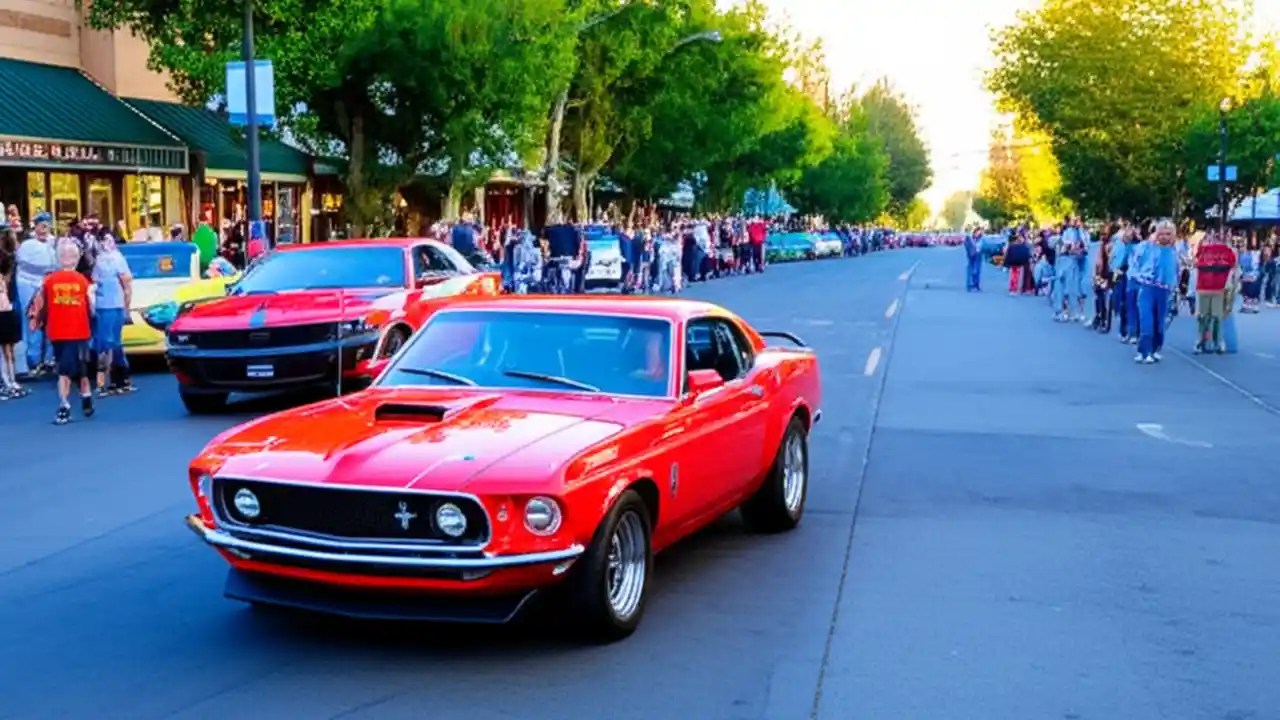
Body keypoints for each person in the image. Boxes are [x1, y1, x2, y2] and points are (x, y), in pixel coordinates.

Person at [28, 241, 95, 424]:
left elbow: (40, 304)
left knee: (64, 370)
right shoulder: (83, 281)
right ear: (76, 258)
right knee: (80, 369)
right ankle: (84, 395)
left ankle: (65, 405)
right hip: (79, 331)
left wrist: (36, 321)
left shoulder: (49, 281)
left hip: (59, 332)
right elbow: (92, 306)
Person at [16, 211, 57, 374]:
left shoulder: (54, 243)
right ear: (36, 226)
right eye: (42, 225)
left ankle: (49, 359)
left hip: (49, 286)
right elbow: (23, 265)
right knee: (32, 322)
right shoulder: (28, 245)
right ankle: (33, 360)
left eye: (47, 225)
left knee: (50, 321)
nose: (45, 229)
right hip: (29, 286)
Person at [1132, 220, 1179, 364]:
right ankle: (1144, 351)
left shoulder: (1174, 251)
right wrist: (1138, 277)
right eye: (1162, 234)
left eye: (1168, 234)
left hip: (1164, 291)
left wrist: (1176, 287)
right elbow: (1134, 264)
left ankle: (1154, 349)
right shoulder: (1146, 247)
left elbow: (1176, 271)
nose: (1165, 237)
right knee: (1146, 320)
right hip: (1147, 288)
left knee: (1160, 324)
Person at [91, 234, 133, 395]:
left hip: (113, 305)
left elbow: (127, 282)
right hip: (104, 306)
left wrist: (126, 306)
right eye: (103, 240)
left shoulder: (116, 258)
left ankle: (104, 382)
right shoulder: (99, 258)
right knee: (111, 343)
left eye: (109, 240)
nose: (106, 243)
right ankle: (121, 379)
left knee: (107, 343)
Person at [1194, 231, 1237, 354]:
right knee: (1207, 316)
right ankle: (1205, 341)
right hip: (1208, 286)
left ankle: (1214, 341)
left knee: (1213, 316)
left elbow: (1233, 267)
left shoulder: (1227, 251)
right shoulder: (1204, 249)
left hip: (1216, 287)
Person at [0, 221, 28, 398]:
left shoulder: (10, 258)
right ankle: (7, 380)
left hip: (7, 304)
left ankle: (10, 380)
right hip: (6, 305)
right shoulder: (10, 257)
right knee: (6, 349)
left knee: (7, 348)